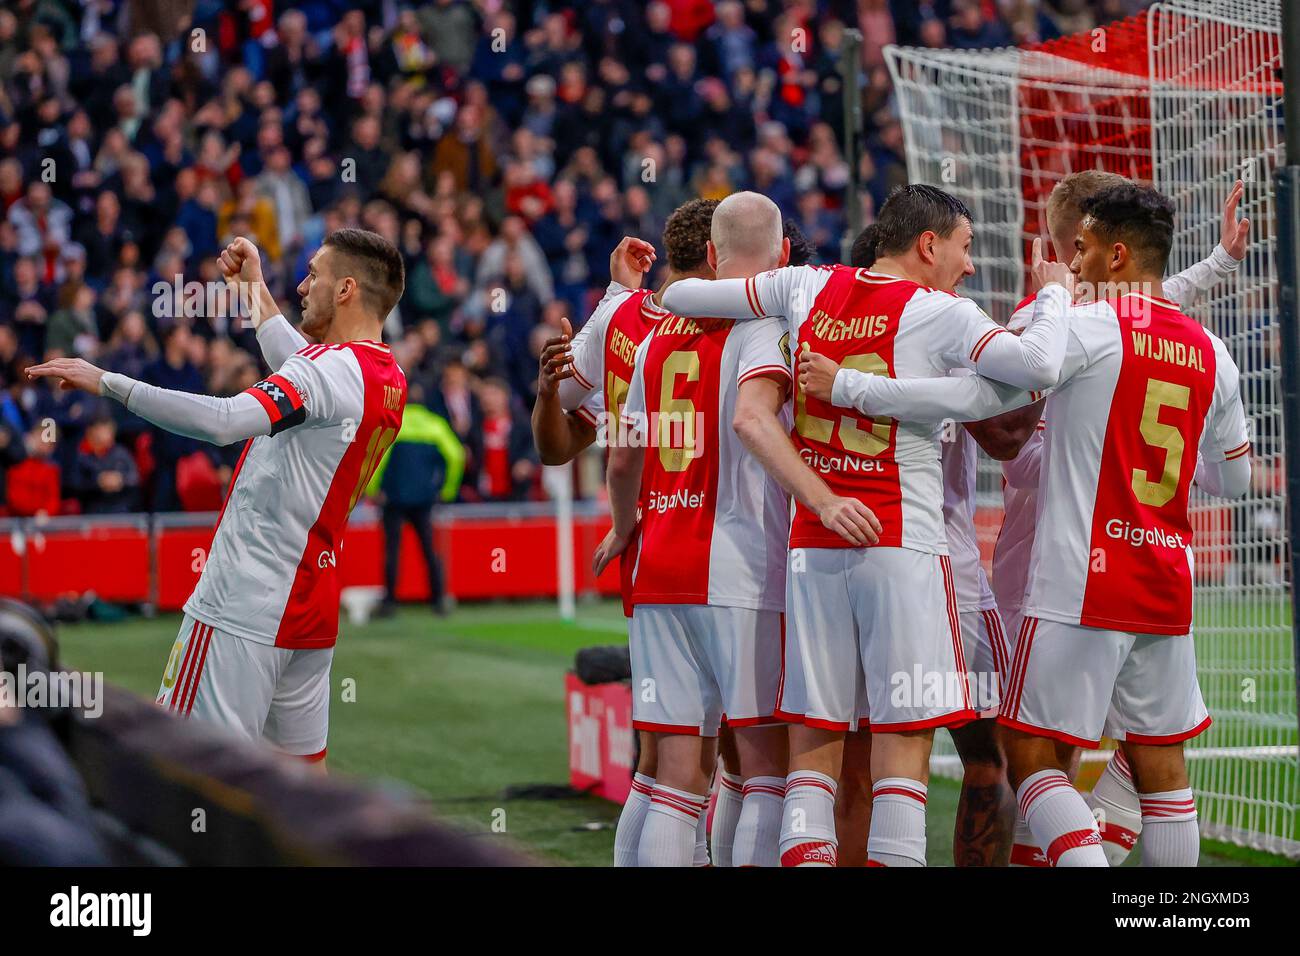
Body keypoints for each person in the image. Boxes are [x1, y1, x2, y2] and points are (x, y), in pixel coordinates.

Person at [815, 184, 1251, 866]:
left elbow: (989, 412)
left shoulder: (1073, 329)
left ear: (1111, 253)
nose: (1069, 266)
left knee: (1028, 754)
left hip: (1075, 581)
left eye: (1081, 252)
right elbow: (1233, 482)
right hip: (1166, 581)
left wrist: (853, 388)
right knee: (1162, 775)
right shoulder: (1213, 353)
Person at [662, 184, 1068, 866]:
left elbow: (677, 297)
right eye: (965, 249)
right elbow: (1040, 367)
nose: (968, 266)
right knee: (903, 750)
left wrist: (844, 376)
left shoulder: (806, 287)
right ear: (928, 245)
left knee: (815, 750)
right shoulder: (941, 313)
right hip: (900, 544)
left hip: (814, 548)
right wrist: (1052, 291)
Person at [26, 229, 408, 766]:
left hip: (244, 603)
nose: (302, 286)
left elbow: (226, 421)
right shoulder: (385, 376)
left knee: (187, 777)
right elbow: (303, 369)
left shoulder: (327, 371)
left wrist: (107, 382)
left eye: (314, 275)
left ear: (345, 289)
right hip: (309, 611)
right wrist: (252, 290)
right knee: (300, 796)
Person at [366, 380, 465, 617]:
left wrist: (372, 489)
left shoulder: (393, 421)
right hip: (425, 498)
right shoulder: (436, 425)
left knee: (392, 551)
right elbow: (457, 456)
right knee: (430, 550)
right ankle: (438, 600)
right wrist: (447, 490)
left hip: (394, 498)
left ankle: (390, 602)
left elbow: (377, 457)